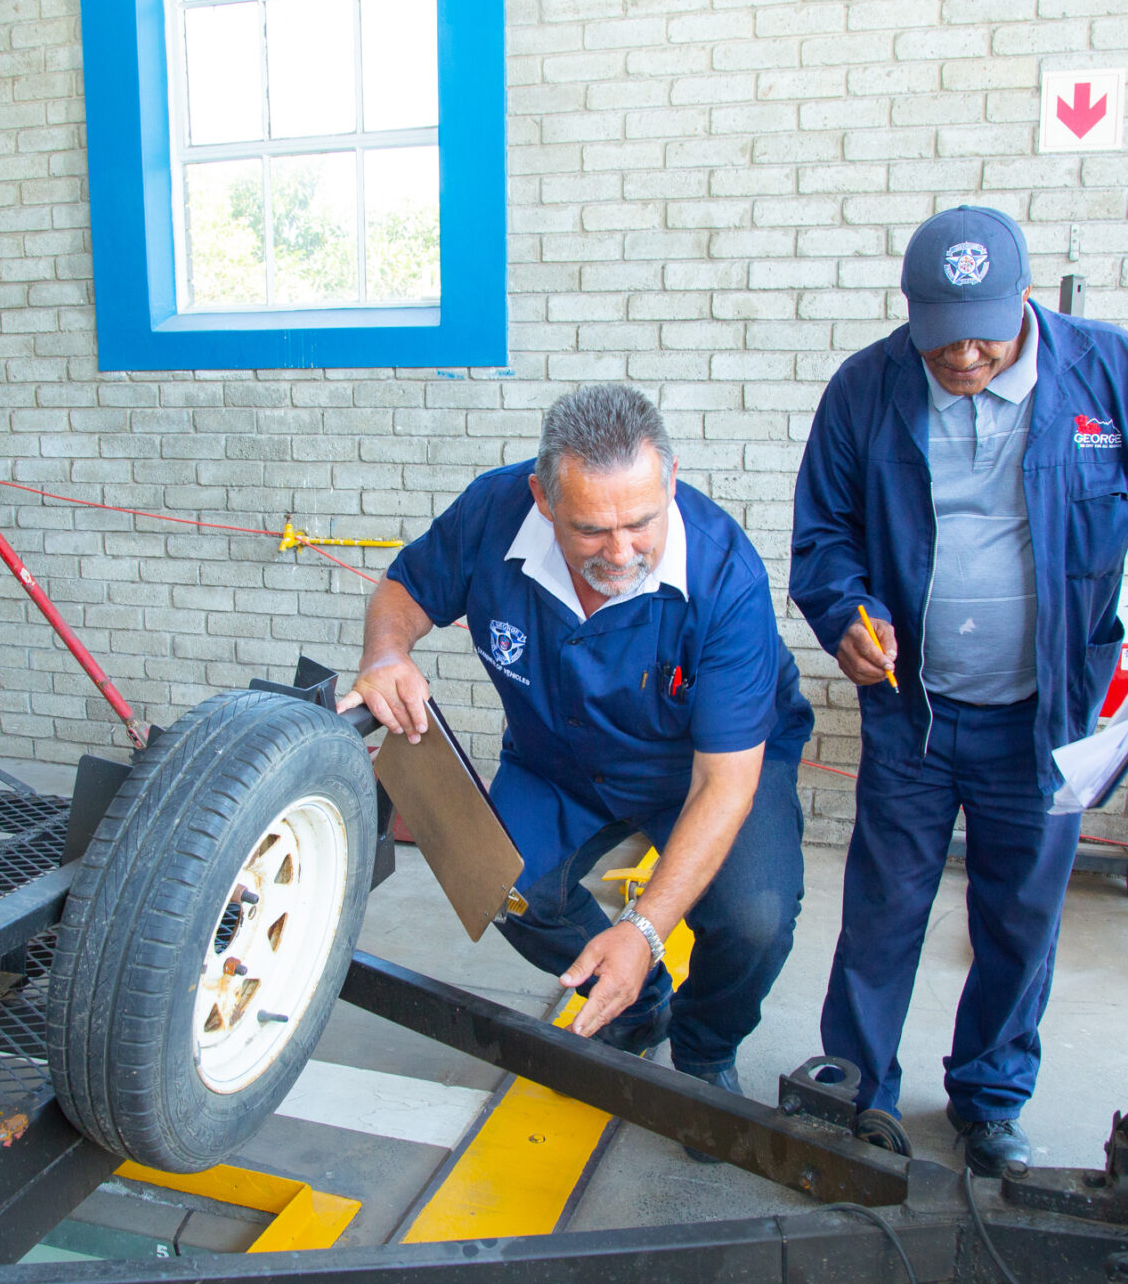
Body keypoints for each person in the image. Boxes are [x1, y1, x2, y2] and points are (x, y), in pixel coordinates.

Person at [790, 205, 1128, 1175]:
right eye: (939, 336)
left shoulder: (1113, 376)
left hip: (1046, 724)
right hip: (912, 714)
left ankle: (989, 1099)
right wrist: (842, 610)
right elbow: (823, 534)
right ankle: (854, 1094)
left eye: (981, 331)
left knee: (1017, 920)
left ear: (1023, 303)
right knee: (881, 913)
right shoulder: (865, 388)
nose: (961, 355)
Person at [340, 384, 813, 1144]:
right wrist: (387, 651)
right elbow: (405, 588)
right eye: (592, 529)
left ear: (671, 479)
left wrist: (647, 926)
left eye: (642, 522)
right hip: (559, 759)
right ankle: (639, 1000)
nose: (621, 552)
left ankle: (705, 1049)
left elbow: (726, 783)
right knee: (495, 879)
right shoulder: (493, 513)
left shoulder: (727, 579)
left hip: (701, 767)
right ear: (542, 498)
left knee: (754, 918)